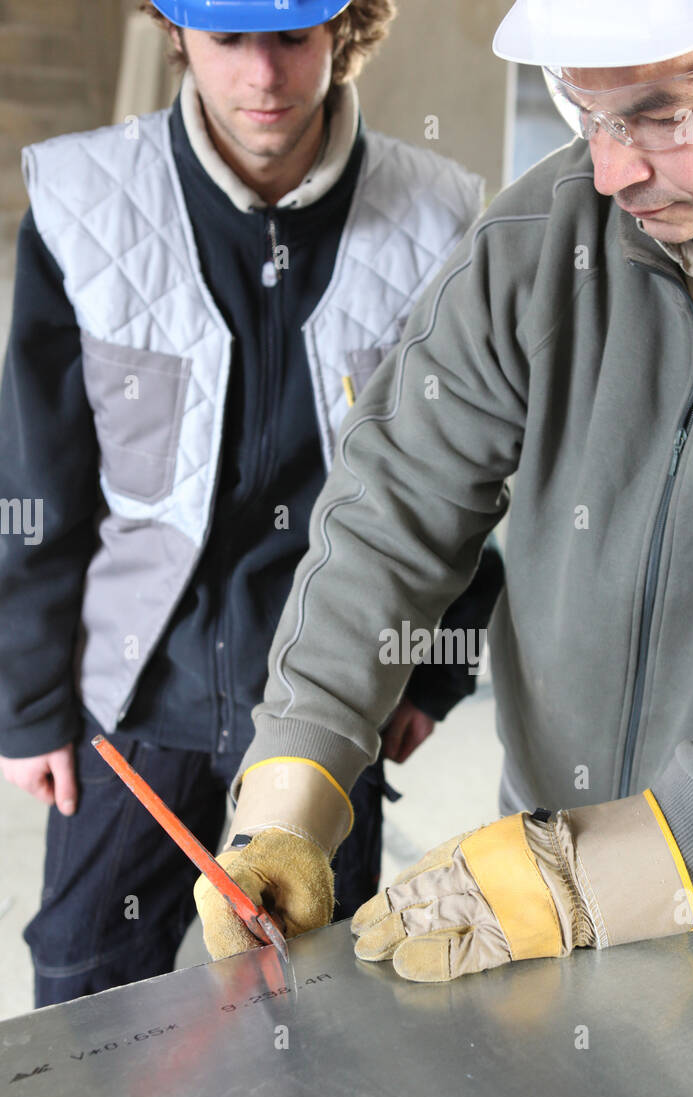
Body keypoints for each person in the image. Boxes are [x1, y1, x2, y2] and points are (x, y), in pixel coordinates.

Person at [195, 0, 693, 982]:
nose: (607, 172)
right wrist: (291, 787)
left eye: (656, 113)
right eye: (582, 112)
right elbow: (389, 516)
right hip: (541, 872)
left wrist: (621, 864)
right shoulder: (540, 237)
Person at [0, 0, 501, 1005]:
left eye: (292, 37)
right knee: (87, 978)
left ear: (345, 30)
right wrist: (27, 704)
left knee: (309, 1002)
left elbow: (466, 479)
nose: (264, 76)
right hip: (133, 700)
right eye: (229, 39)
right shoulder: (83, 197)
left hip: (329, 697)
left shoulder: (442, 214)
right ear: (175, 30)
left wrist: (435, 671)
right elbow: (37, 474)